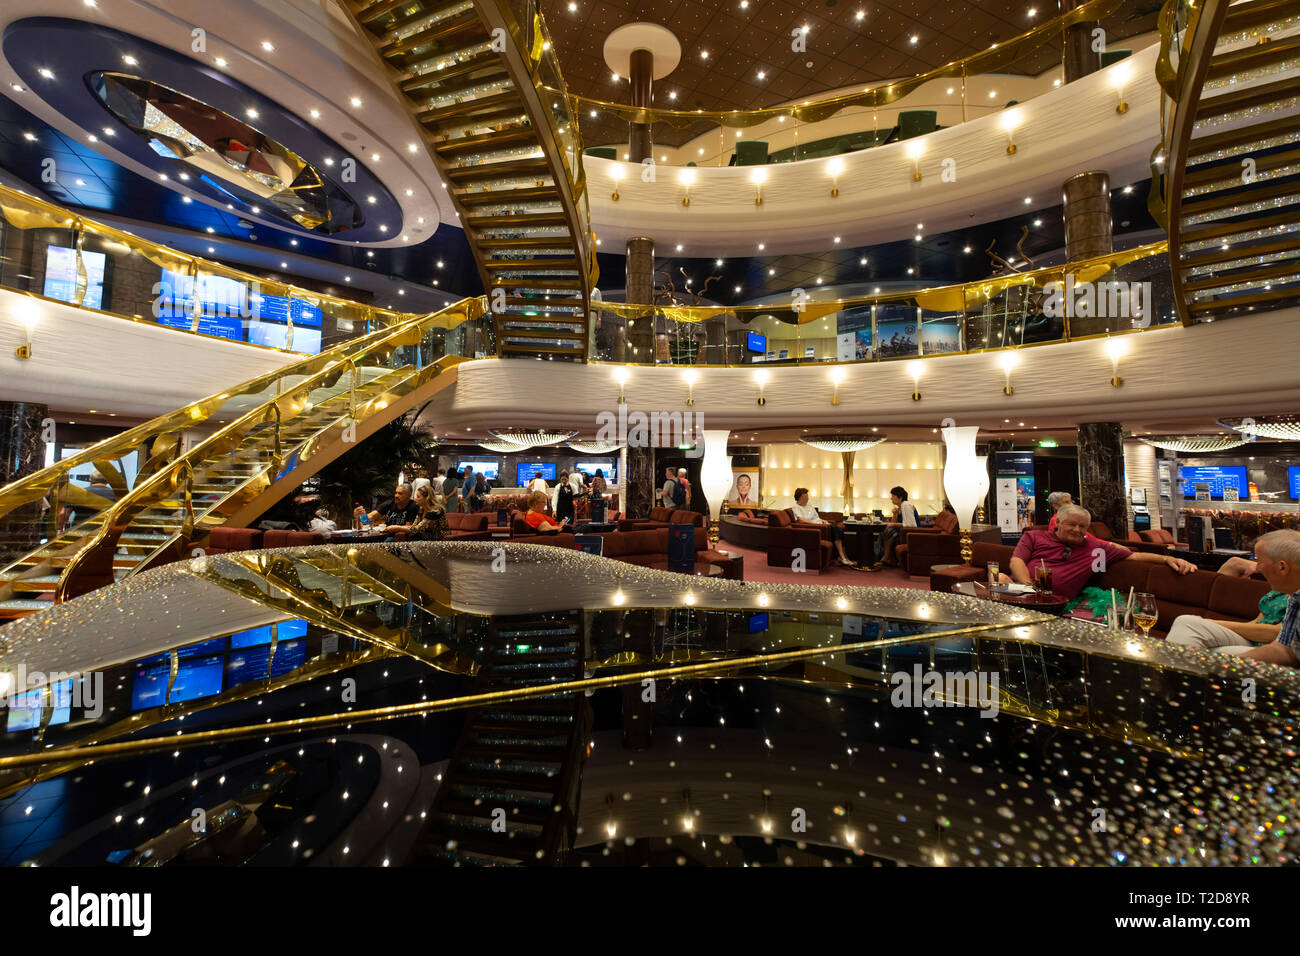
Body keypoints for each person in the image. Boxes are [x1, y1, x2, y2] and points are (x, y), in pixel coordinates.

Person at [1007, 504, 1196, 599]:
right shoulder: (1034, 537)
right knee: (1000, 579)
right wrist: (1029, 588)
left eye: (1082, 526)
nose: (1077, 530)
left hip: (1058, 603)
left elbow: (1134, 555)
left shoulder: (1096, 548)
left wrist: (1167, 559)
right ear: (1057, 523)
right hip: (1024, 593)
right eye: (1071, 524)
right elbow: (1016, 562)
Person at [1166, 531, 1300, 661]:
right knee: (1187, 622)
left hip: (1271, 652)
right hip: (1259, 643)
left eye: (1260, 561)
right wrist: (1231, 663)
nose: (1257, 568)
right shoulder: (1294, 597)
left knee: (1205, 648)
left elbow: (1278, 638)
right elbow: (1284, 648)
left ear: (1282, 567)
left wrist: (1210, 623)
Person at [791, 488, 855, 567]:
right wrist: (816, 524)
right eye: (805, 496)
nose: (808, 498)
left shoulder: (809, 504)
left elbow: (816, 517)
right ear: (800, 497)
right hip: (814, 527)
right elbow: (800, 520)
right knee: (835, 529)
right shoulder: (795, 507)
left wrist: (824, 520)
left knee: (839, 531)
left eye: (807, 496)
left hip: (820, 524)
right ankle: (842, 557)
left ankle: (843, 557)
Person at [873, 486, 919, 568]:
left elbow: (911, 525)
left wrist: (893, 524)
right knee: (884, 531)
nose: (891, 498)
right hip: (903, 531)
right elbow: (894, 523)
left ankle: (885, 559)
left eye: (893, 496)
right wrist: (895, 514)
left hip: (913, 533)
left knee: (889, 532)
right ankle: (887, 558)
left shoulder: (906, 505)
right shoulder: (900, 507)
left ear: (900, 497)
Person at [355, 482, 420, 527]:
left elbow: (408, 527)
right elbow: (371, 517)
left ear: (409, 495)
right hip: (385, 534)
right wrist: (359, 516)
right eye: (396, 493)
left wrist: (392, 528)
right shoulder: (390, 503)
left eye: (400, 493)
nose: (396, 496)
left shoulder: (413, 506)